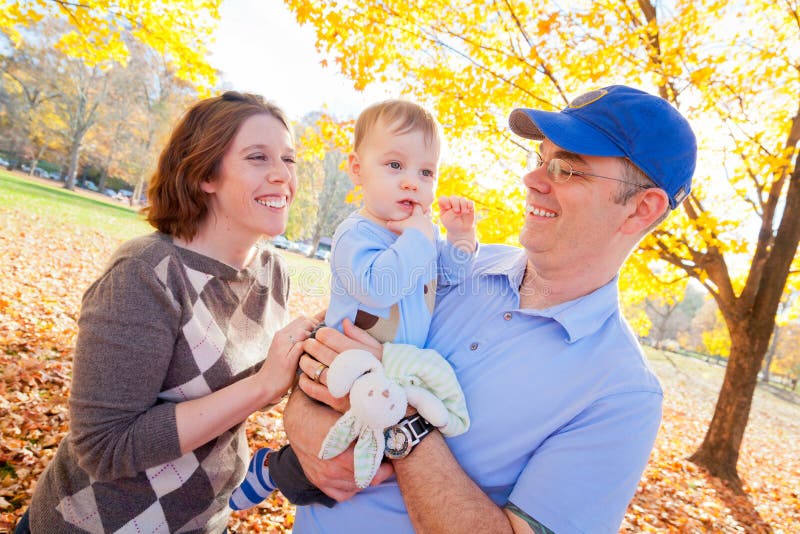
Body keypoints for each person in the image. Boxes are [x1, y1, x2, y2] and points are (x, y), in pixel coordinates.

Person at [282, 85, 697, 534]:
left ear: (641, 209)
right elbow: (327, 346)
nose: (533, 180)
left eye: (567, 169)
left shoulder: (621, 394)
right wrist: (302, 423)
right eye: (541, 159)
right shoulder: (456, 262)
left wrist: (400, 418)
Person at [15, 91, 317, 534]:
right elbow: (105, 445)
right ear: (206, 174)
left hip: (203, 520)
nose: (282, 176)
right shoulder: (146, 273)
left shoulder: (272, 273)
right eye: (258, 157)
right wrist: (262, 385)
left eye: (288, 160)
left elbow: (243, 384)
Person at [230, 99, 475, 509]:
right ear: (358, 170)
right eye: (395, 166)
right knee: (337, 448)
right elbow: (380, 287)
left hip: (389, 367)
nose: (412, 182)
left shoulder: (420, 235)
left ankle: (285, 473)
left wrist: (460, 238)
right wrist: (418, 236)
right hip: (343, 364)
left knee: (370, 454)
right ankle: (271, 471)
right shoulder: (356, 235)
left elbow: (452, 277)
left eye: (426, 172)